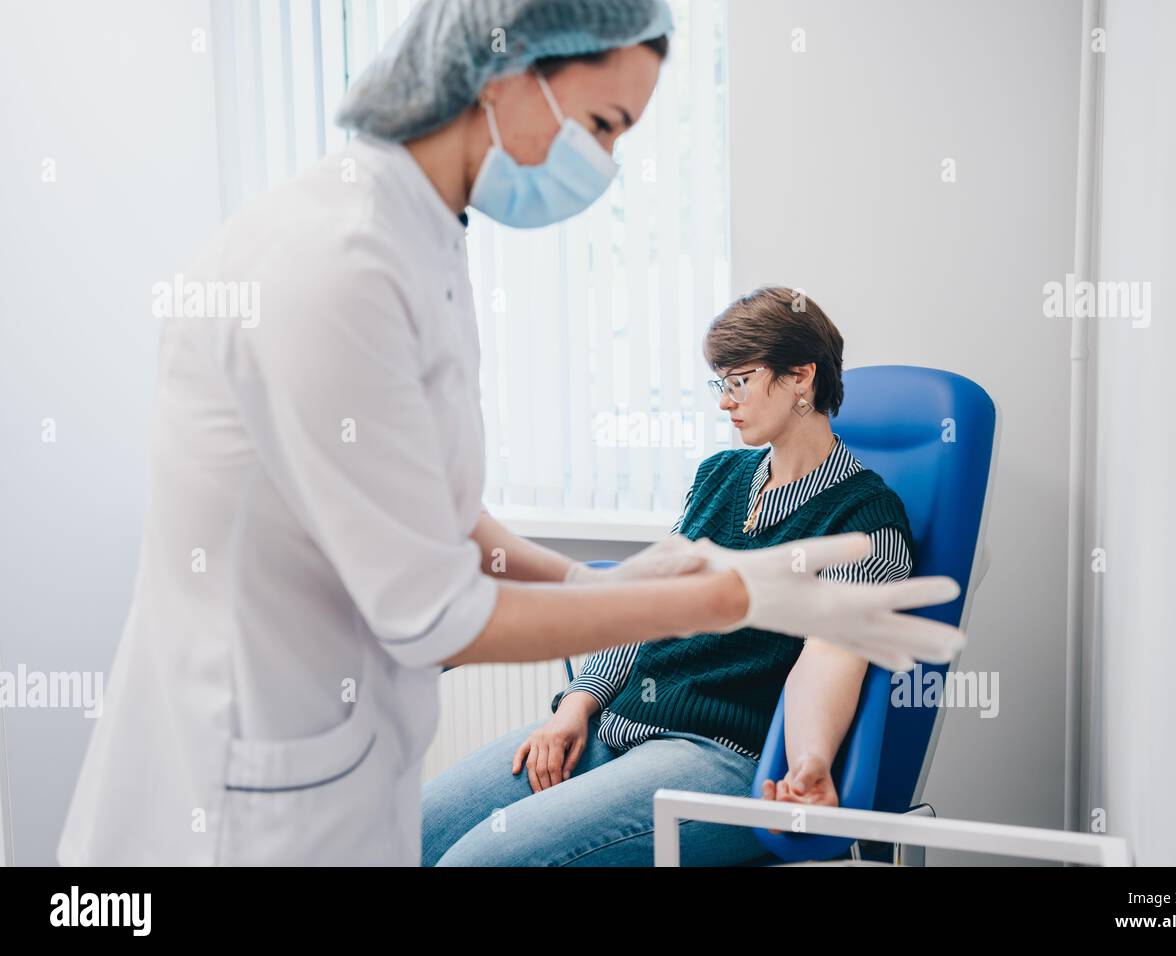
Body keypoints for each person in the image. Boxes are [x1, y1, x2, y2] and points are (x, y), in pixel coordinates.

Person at [57, 0, 962, 867]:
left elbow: (447, 513)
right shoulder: (337, 265)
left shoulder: (427, 242)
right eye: (603, 124)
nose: (604, 162)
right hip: (243, 778)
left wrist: (583, 579)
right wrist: (703, 604)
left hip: (671, 752)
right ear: (512, 71)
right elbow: (436, 613)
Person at [422, 288, 918, 866]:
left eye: (741, 380)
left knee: (478, 861)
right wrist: (577, 706)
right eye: (720, 382)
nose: (725, 402)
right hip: (617, 727)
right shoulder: (720, 476)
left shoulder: (865, 521)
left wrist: (808, 759)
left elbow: (829, 657)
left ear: (802, 376)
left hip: (720, 758)